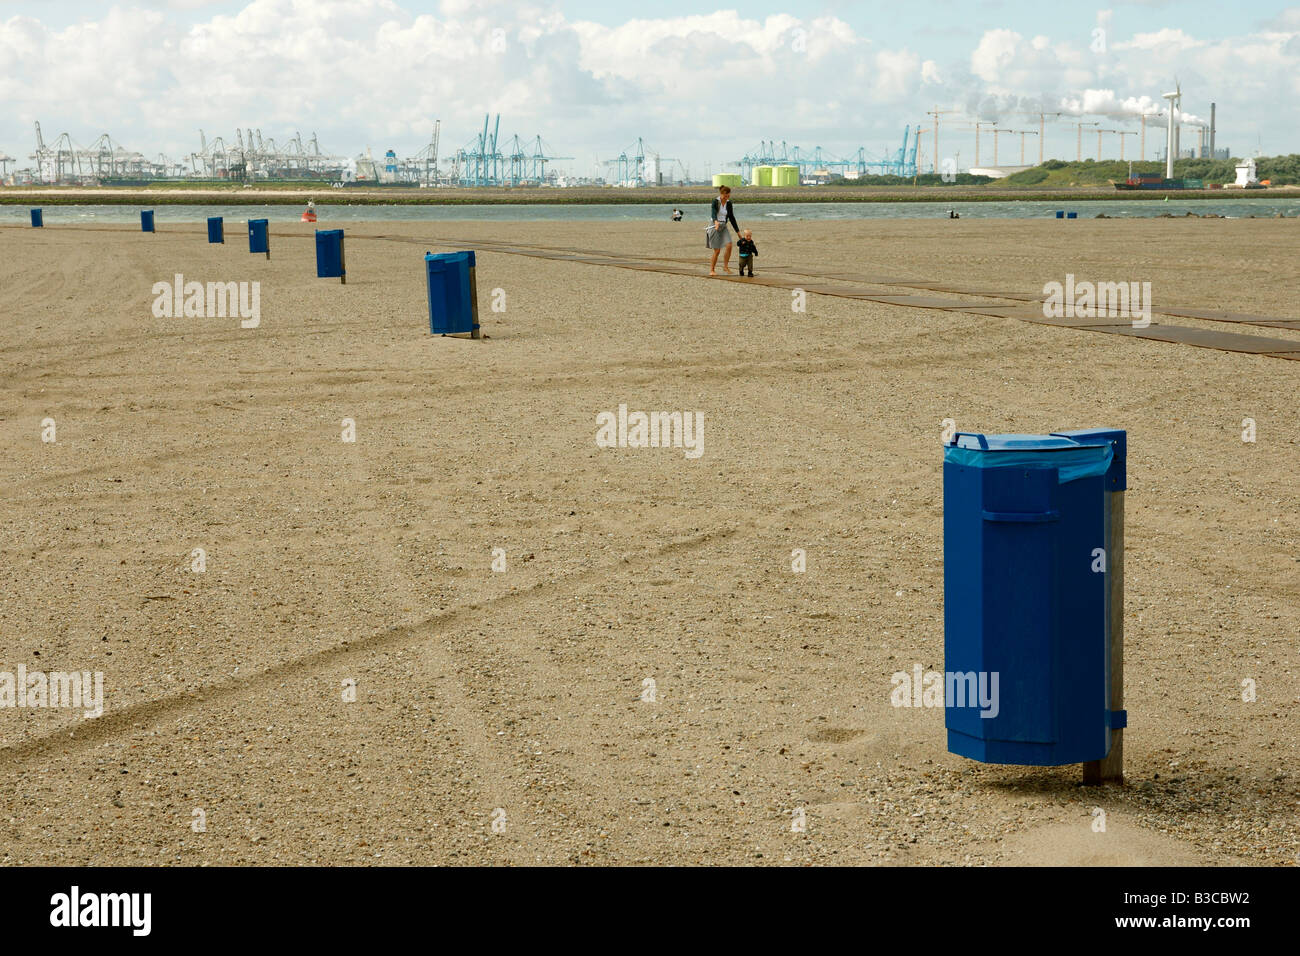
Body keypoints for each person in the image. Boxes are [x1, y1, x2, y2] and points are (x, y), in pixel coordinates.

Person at [707, 185, 740, 276]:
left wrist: (738, 232)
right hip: (714, 226)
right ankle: (712, 270)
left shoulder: (729, 203)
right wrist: (715, 221)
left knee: (729, 245)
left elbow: (732, 217)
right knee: (717, 250)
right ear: (721, 194)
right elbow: (713, 212)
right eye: (725, 195)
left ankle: (725, 266)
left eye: (728, 195)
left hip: (723, 226)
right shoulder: (715, 201)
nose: (726, 197)